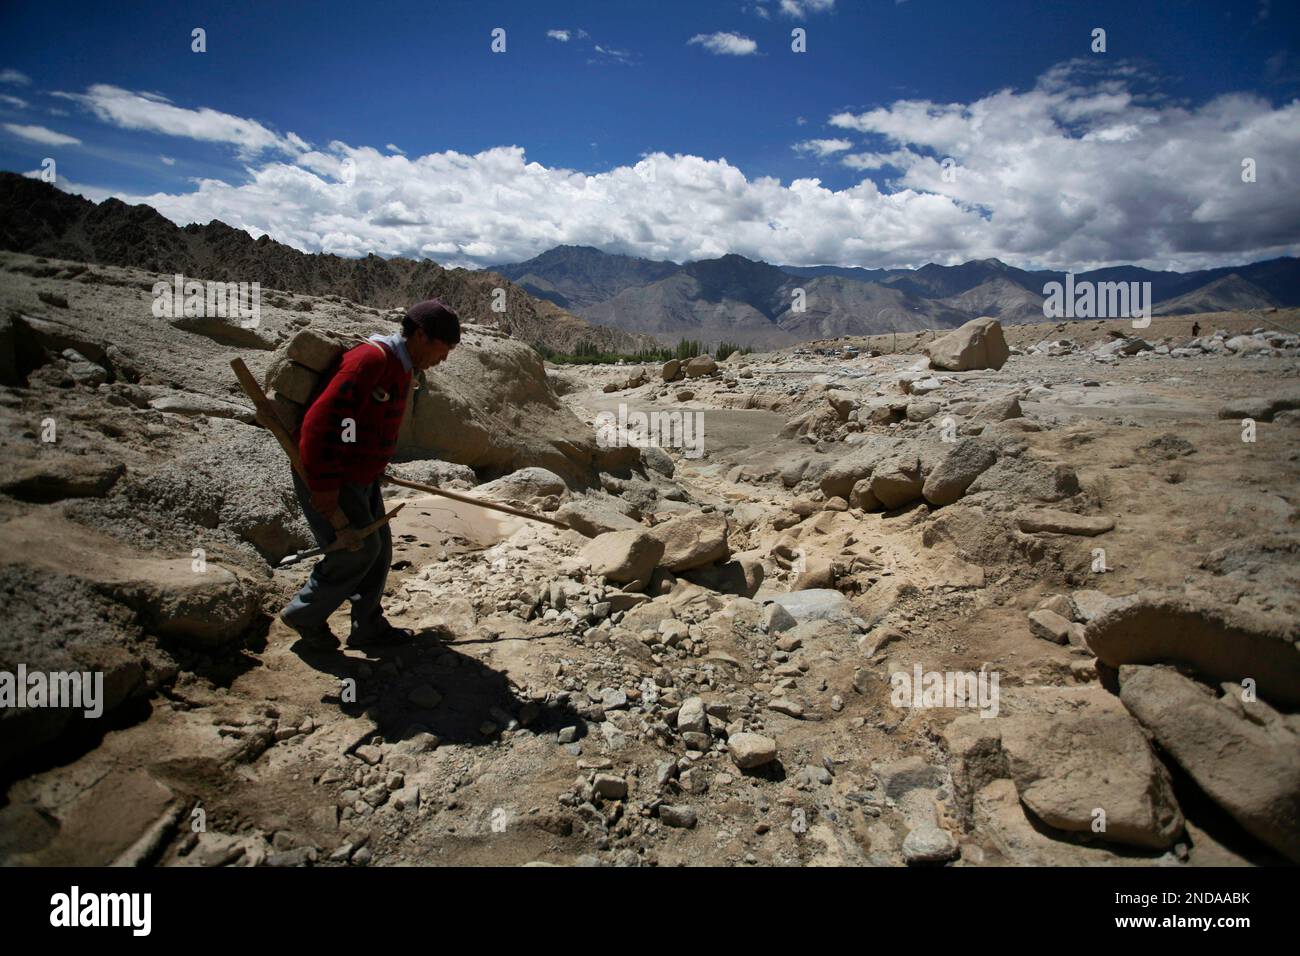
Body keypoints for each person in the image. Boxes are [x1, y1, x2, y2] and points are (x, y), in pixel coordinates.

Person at [279, 299, 461, 647]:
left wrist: (375, 467)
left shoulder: (401, 366)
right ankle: (305, 614)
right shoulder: (371, 361)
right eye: (444, 348)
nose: (444, 359)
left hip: (361, 477)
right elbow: (322, 425)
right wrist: (325, 486)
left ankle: (367, 626)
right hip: (334, 476)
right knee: (356, 551)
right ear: (421, 335)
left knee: (379, 552)